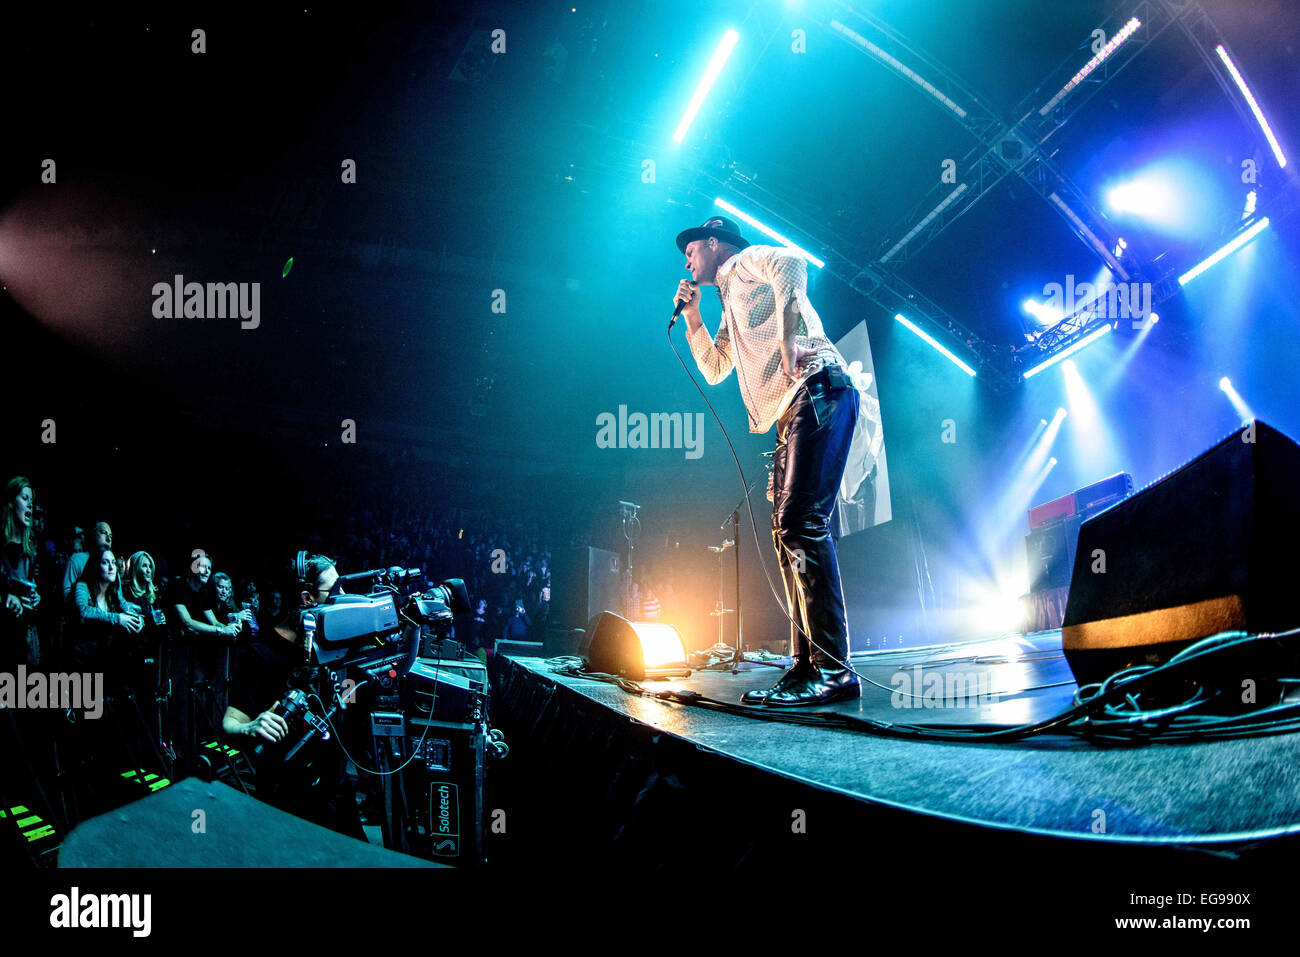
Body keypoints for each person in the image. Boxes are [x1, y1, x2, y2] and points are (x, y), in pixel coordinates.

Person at [675, 215, 861, 706]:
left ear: (715, 245)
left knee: (801, 521)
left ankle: (834, 668)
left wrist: (786, 337)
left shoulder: (744, 263)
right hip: (791, 408)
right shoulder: (727, 304)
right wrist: (694, 316)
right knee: (787, 530)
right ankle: (805, 666)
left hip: (817, 388)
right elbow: (716, 368)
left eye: (691, 250)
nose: (687, 259)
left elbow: (794, 265)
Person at [222, 553, 363, 839]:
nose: (343, 596)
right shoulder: (261, 655)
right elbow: (229, 724)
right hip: (286, 799)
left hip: (337, 795)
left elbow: (351, 697)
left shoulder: (337, 648)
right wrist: (250, 727)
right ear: (306, 598)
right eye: (335, 590)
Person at [2, 477, 44, 668]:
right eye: (25, 498)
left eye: (32, 501)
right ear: (11, 502)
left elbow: (34, 585)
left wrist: (37, 597)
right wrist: (5, 598)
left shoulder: (31, 551)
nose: (30, 505)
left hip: (26, 641)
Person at [62, 521, 112, 599]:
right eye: (103, 533)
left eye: (111, 536)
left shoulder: (112, 564)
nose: (109, 539)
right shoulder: (77, 560)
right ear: (93, 535)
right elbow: (66, 593)